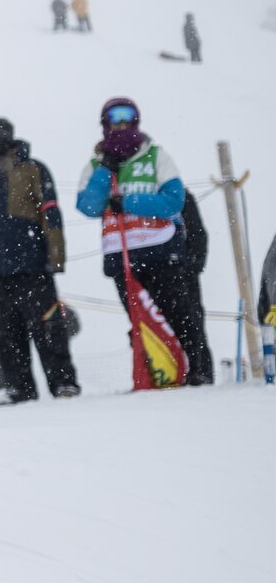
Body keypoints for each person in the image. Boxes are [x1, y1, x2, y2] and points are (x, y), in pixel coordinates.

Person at [74, 98, 213, 386]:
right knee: (141, 319)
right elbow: (88, 206)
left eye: (127, 119)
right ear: (105, 125)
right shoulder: (95, 165)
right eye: (114, 120)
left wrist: (129, 202)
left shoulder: (156, 157)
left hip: (161, 250)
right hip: (122, 256)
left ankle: (196, 371)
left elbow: (173, 200)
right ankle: (160, 372)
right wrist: (105, 170)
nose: (121, 125)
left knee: (179, 314)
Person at [0, 119, 80, 404]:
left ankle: (63, 383)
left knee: (48, 327)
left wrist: (55, 256)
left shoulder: (33, 169)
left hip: (33, 266)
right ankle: (19, 388)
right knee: (6, 335)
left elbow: (50, 214)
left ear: (3, 139)